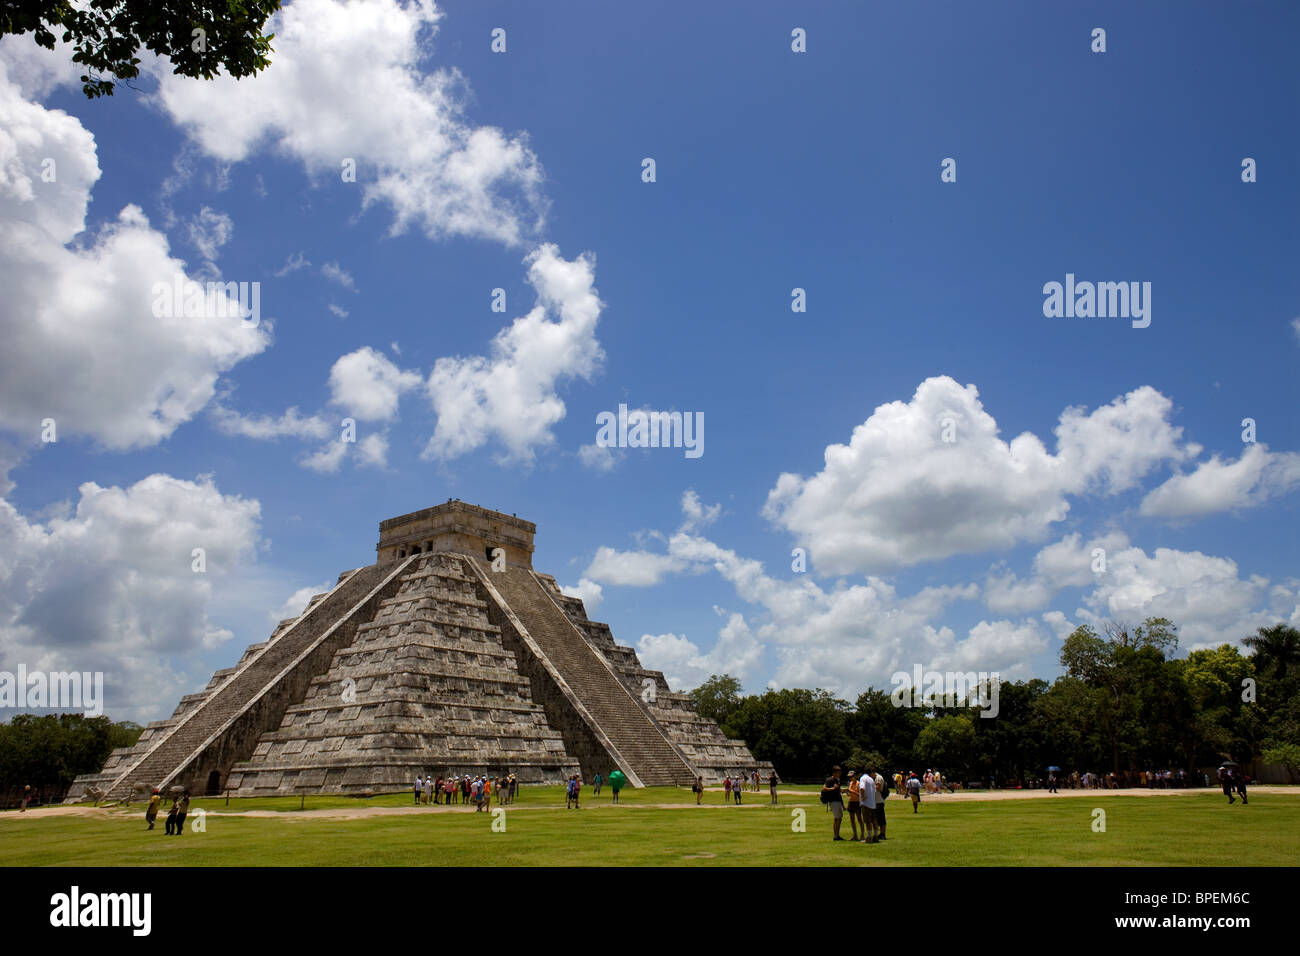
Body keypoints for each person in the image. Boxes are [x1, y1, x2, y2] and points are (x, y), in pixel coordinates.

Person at [821, 765, 845, 841]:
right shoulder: (830, 780)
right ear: (834, 772)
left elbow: (838, 790)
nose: (840, 773)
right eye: (838, 772)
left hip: (837, 801)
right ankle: (836, 836)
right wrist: (832, 788)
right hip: (833, 801)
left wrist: (844, 790)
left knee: (838, 818)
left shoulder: (838, 780)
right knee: (838, 818)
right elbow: (824, 788)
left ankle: (836, 835)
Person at [860, 769, 878, 843]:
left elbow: (862, 788)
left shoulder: (863, 778)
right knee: (874, 821)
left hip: (866, 803)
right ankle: (876, 836)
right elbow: (875, 791)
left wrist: (863, 796)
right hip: (873, 803)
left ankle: (869, 837)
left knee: (868, 821)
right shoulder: (871, 779)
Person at [845, 771, 862, 841]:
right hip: (851, 802)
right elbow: (850, 793)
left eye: (851, 776)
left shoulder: (859, 783)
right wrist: (847, 792)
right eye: (849, 777)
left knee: (859, 819)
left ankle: (862, 834)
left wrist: (851, 791)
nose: (850, 778)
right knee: (852, 820)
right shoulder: (850, 783)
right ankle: (855, 835)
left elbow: (860, 795)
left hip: (857, 802)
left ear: (855, 776)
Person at [873, 769, 888, 840]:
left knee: (881, 818)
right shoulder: (876, 777)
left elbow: (877, 787)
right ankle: (880, 833)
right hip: (877, 801)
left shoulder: (878, 778)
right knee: (878, 818)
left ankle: (882, 834)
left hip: (879, 801)